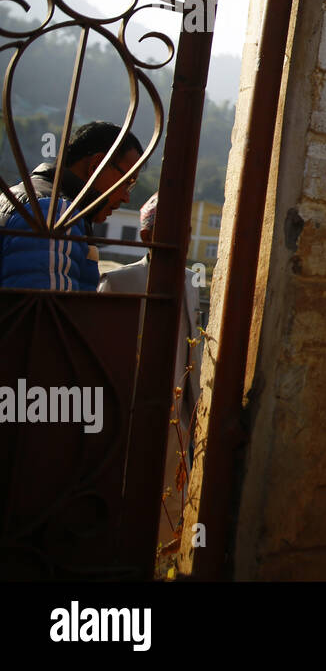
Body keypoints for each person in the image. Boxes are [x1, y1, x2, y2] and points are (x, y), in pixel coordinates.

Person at [98, 192, 202, 550]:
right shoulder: (120, 283)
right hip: (128, 408)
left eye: (188, 231)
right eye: (177, 230)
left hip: (178, 410)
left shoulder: (191, 281)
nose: (185, 240)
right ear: (146, 237)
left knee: (171, 494)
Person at [1, 121, 144, 290]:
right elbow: (48, 310)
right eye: (127, 182)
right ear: (97, 165)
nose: (126, 197)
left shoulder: (19, 194)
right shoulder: (57, 213)